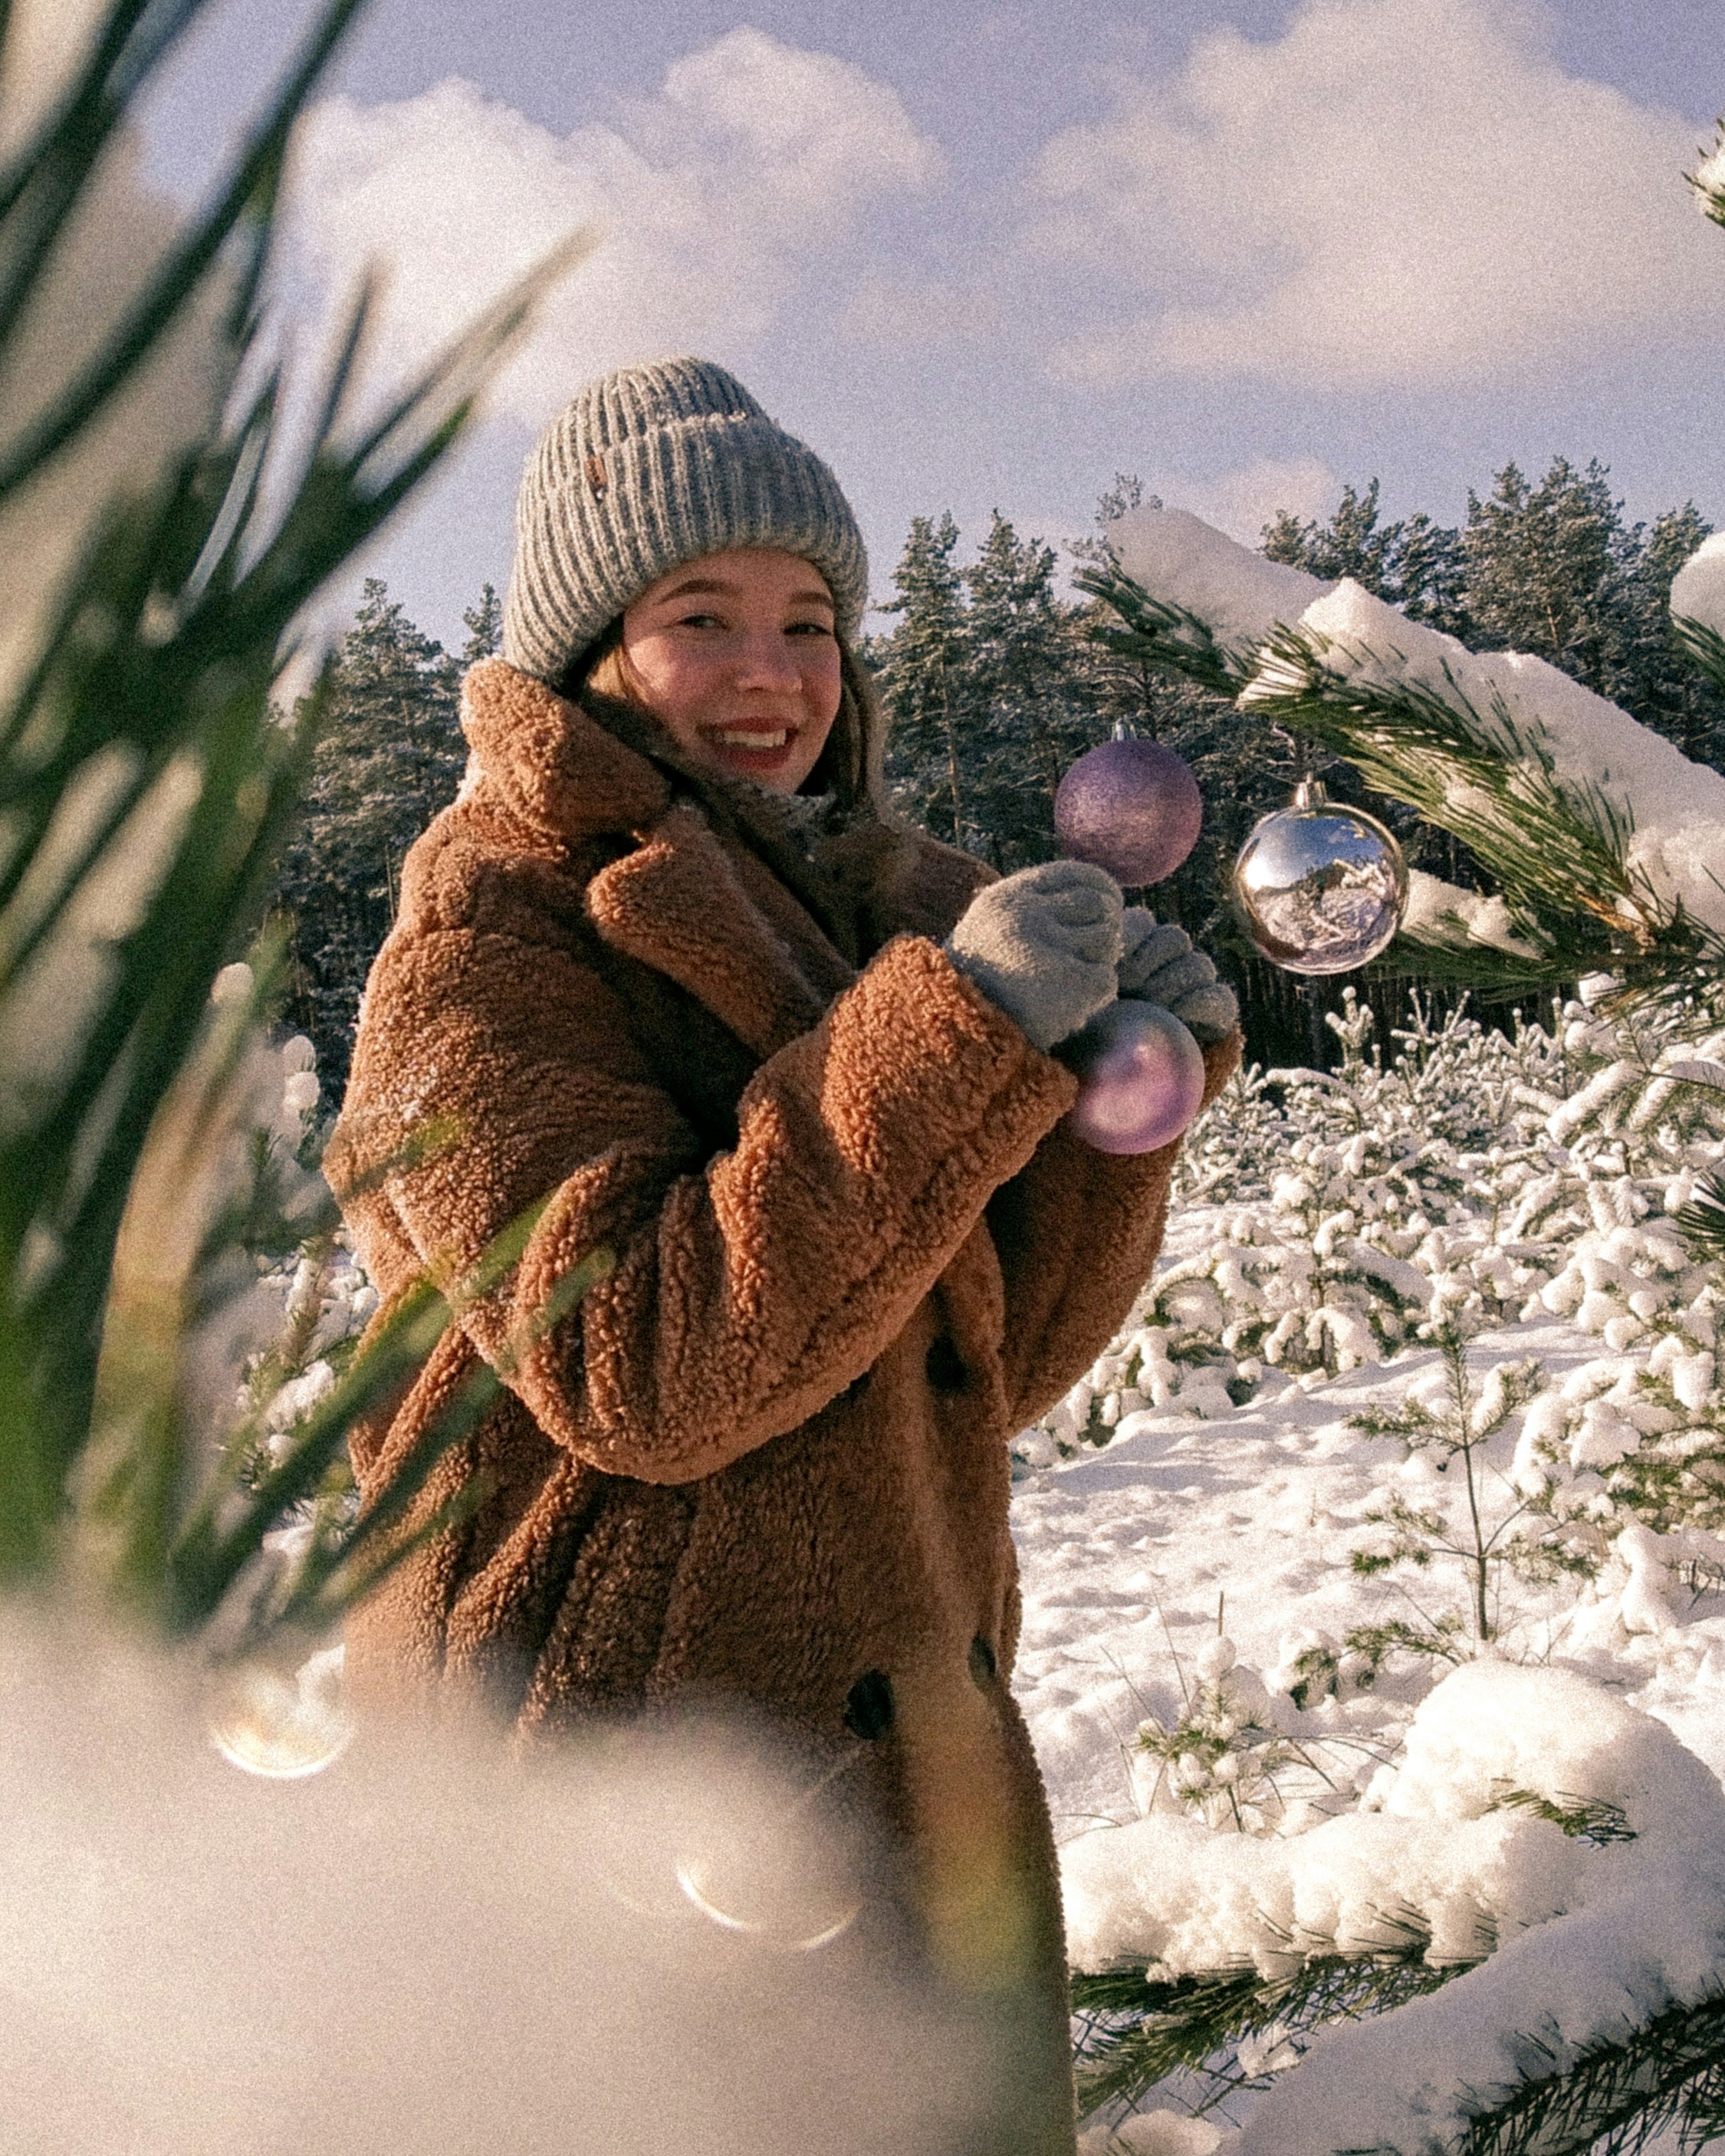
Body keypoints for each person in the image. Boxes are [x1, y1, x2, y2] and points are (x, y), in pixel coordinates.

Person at [327, 357, 1240, 2154]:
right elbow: (644, 1370)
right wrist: (958, 1033)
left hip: (907, 1784)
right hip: (629, 1795)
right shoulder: (487, 932)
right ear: (590, 649)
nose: (774, 671)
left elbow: (971, 1362)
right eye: (702, 614)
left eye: (811, 617)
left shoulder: (863, 905)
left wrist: (1106, 1122)